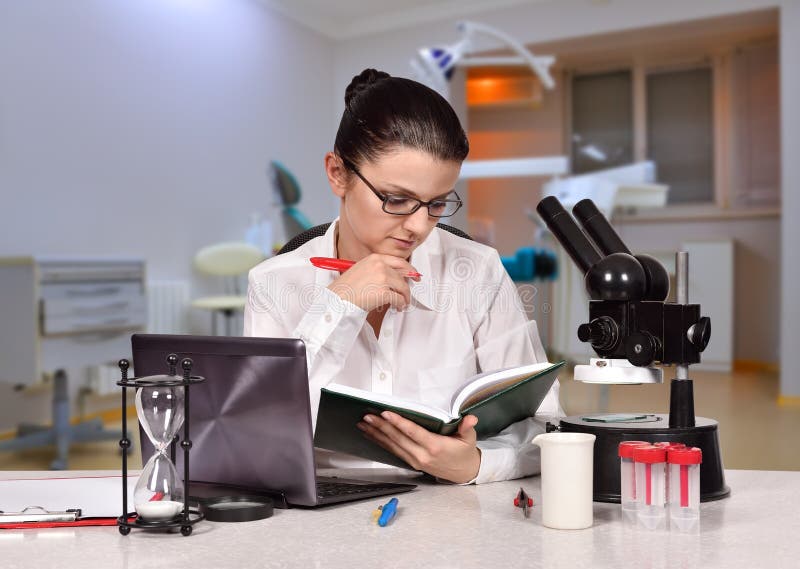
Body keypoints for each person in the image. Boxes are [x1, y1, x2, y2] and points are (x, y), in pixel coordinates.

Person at [244, 68, 563, 484]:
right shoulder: (273, 284)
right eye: (397, 200)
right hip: (320, 513)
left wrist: (477, 464)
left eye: (436, 204)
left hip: (449, 511)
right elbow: (252, 435)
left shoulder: (477, 272)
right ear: (338, 173)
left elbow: (550, 427)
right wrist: (336, 308)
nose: (418, 226)